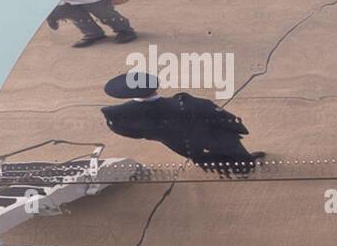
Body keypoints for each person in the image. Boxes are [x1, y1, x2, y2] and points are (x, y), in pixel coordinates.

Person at [100, 72, 264, 173]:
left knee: (202, 157)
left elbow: (127, 131)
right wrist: (237, 128)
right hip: (216, 138)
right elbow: (223, 118)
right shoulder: (188, 102)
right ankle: (245, 166)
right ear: (154, 86)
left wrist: (151, 134)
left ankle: (224, 169)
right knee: (235, 153)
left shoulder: (117, 113)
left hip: (178, 143)